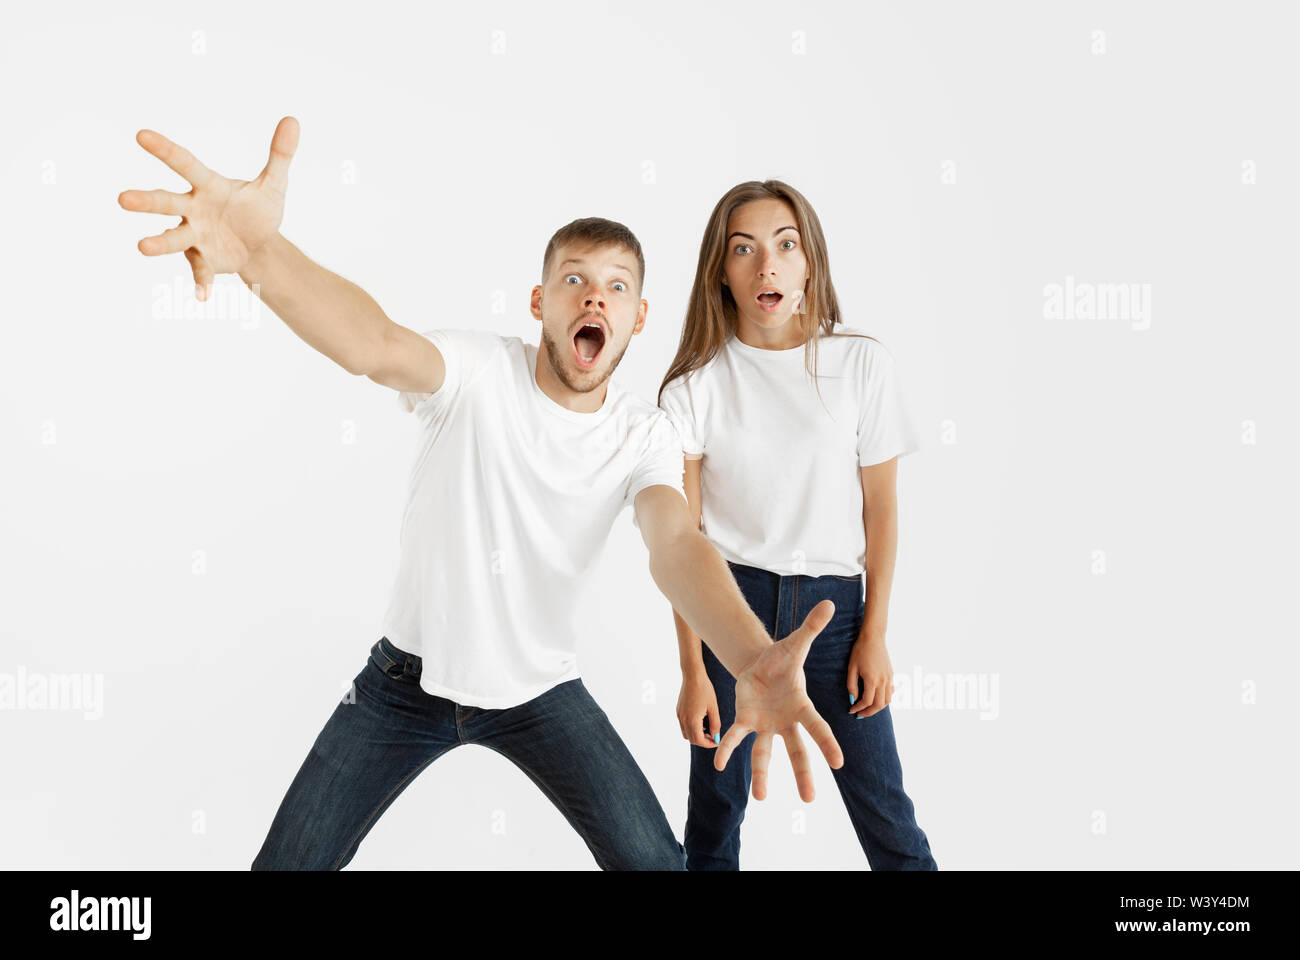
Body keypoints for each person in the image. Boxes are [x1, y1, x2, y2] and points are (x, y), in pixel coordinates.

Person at [117, 118, 846, 870]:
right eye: (575, 281)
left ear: (638, 319)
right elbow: (372, 343)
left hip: (541, 693)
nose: (594, 298)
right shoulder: (475, 372)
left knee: (657, 864)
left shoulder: (643, 436)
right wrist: (260, 253)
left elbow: (675, 544)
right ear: (539, 302)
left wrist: (751, 654)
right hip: (403, 684)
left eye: (616, 288)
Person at [657, 179, 938, 870]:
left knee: (887, 814)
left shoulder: (861, 365)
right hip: (732, 610)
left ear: (809, 260)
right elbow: (682, 541)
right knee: (715, 818)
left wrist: (874, 634)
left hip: (834, 615)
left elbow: (883, 510)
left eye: (785, 246)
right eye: (743, 250)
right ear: (720, 272)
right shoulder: (694, 386)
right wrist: (692, 668)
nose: (766, 267)